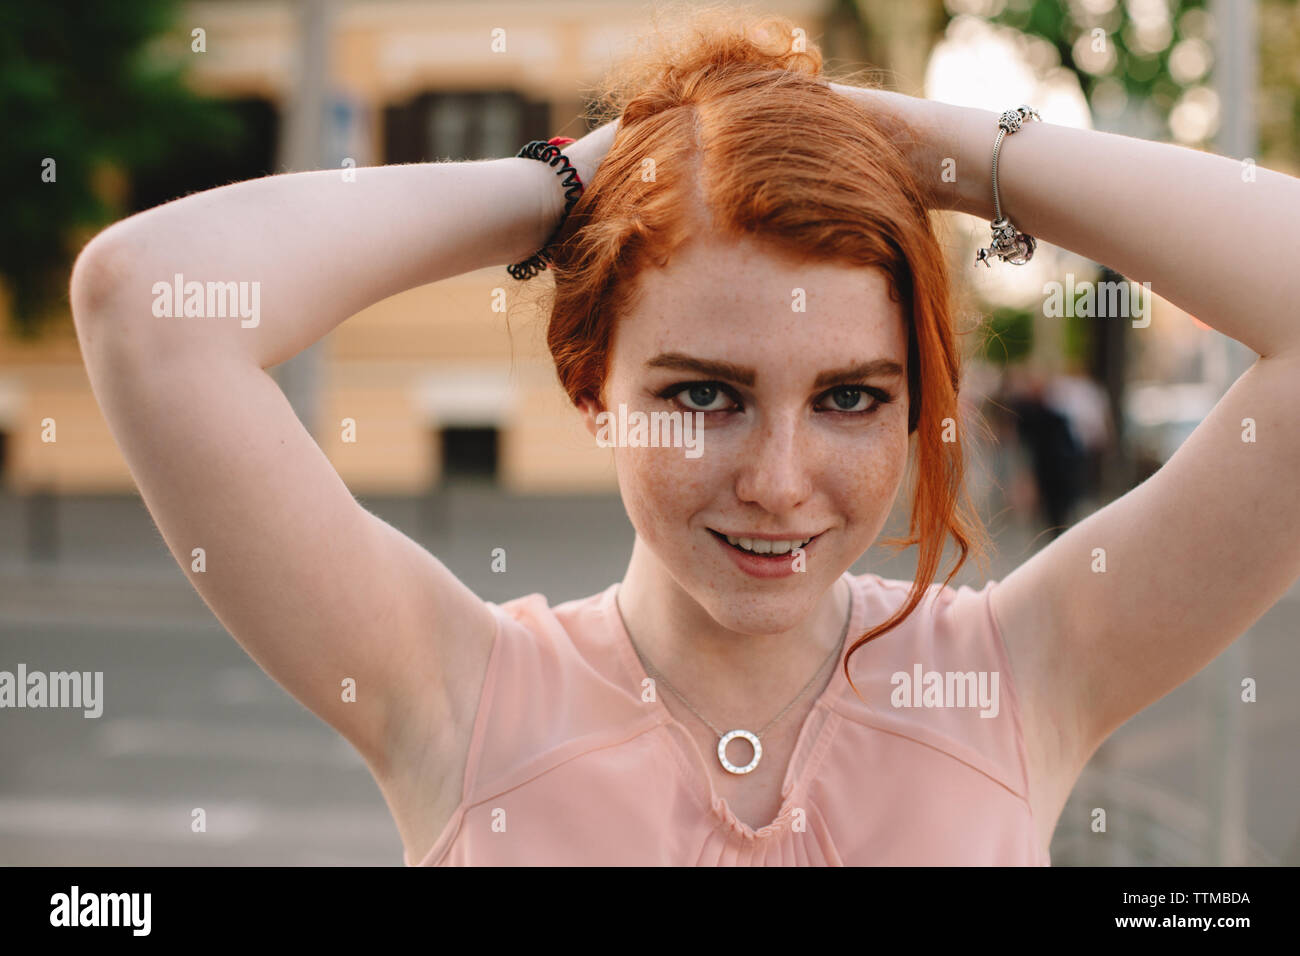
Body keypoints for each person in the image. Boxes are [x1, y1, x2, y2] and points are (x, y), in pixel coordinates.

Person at [69, 4, 1300, 866]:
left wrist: (955, 151)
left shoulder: (1022, 675)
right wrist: (578, 180)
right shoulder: (459, 695)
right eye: (704, 394)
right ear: (591, 377)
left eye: (851, 396)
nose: (778, 482)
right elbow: (148, 301)